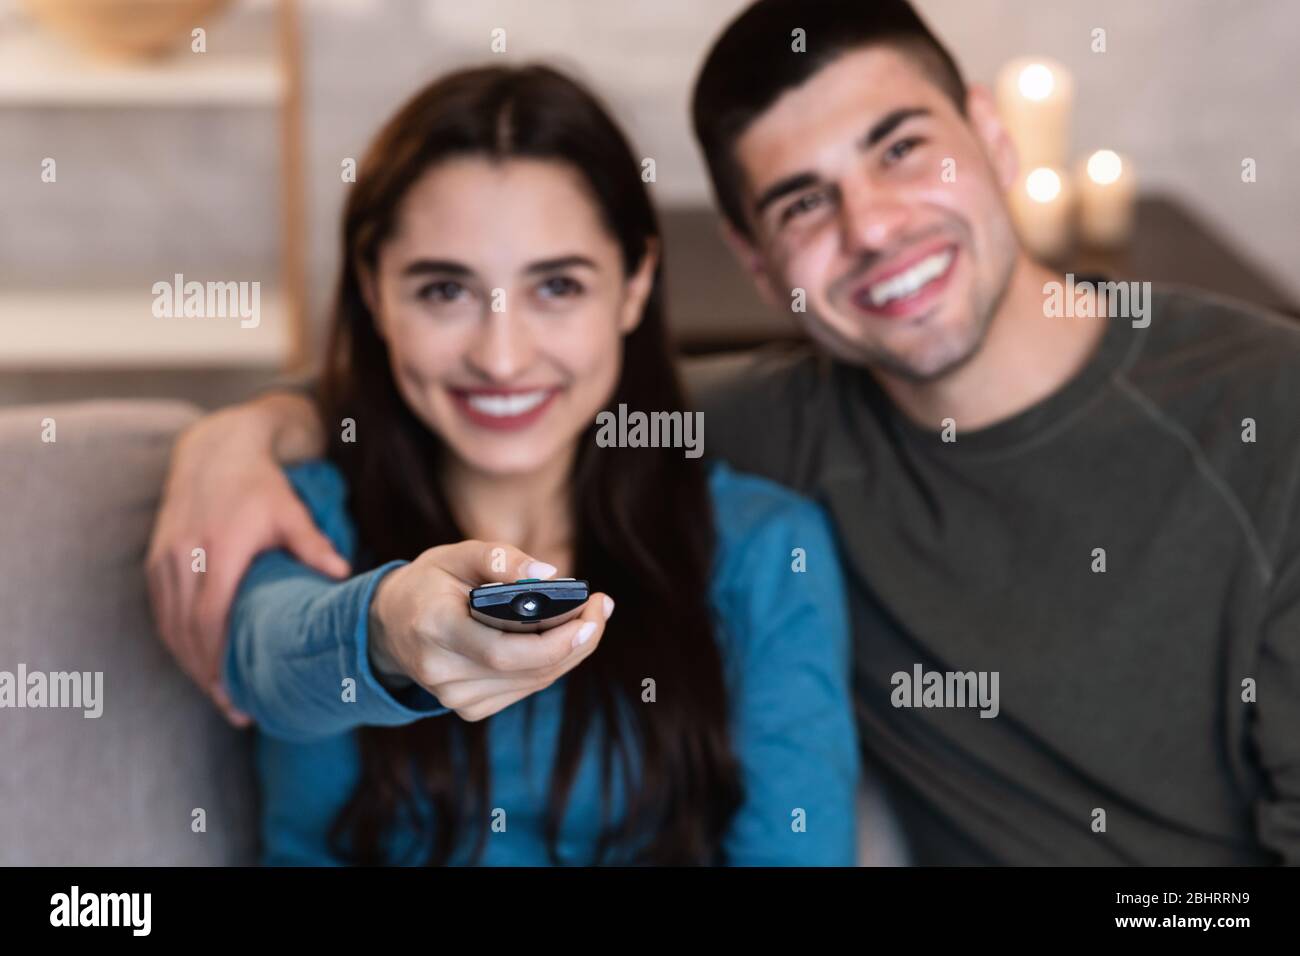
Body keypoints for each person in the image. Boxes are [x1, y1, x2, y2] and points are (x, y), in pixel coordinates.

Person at [148, 0, 1300, 865]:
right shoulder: (742, 426)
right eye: (802, 200)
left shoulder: (1265, 412)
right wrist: (246, 446)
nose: (873, 228)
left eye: (902, 147)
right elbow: (280, 640)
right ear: (756, 265)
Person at [176, 63, 858, 866]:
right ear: (373, 290)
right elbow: (265, 659)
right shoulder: (301, 515)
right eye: (444, 291)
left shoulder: (764, 549)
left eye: (558, 287)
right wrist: (391, 628)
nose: (502, 358)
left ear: (635, 285)